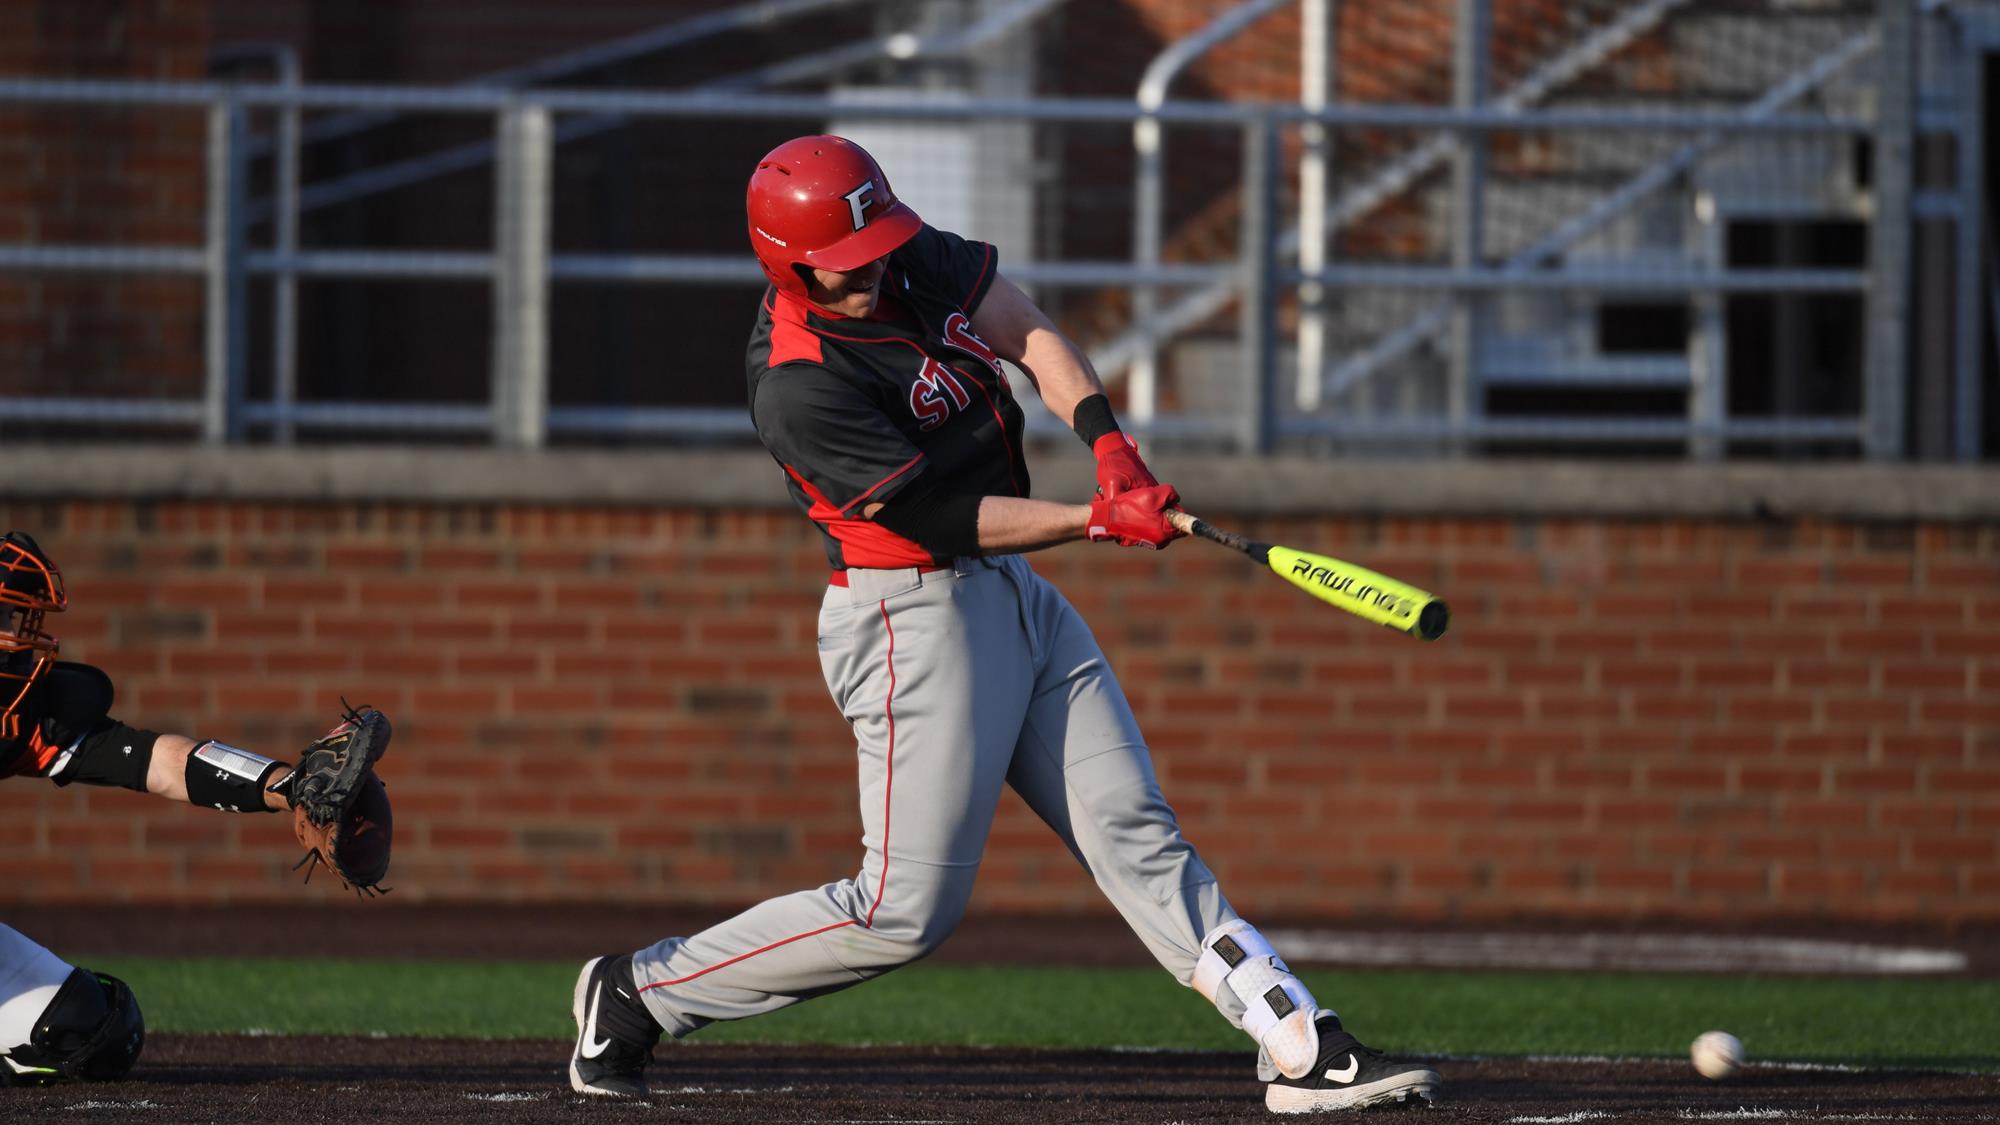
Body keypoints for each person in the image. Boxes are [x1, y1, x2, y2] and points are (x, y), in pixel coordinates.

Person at [566, 135, 1441, 1114]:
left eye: (877, 249)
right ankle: (638, 992)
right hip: (910, 618)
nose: (871, 274)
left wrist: (1108, 445)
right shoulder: (797, 379)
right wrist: (1091, 518)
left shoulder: (903, 254)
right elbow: (932, 515)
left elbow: (1019, 324)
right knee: (900, 913)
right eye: (844, 268)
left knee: (1134, 832)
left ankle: (1297, 1042)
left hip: (1010, 591)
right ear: (788, 263)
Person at [0, 530, 392, 1085]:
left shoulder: (14, 717)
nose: (16, 638)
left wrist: (289, 786)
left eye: (17, 620)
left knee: (90, 1029)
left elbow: (158, 762)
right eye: (5, 619)